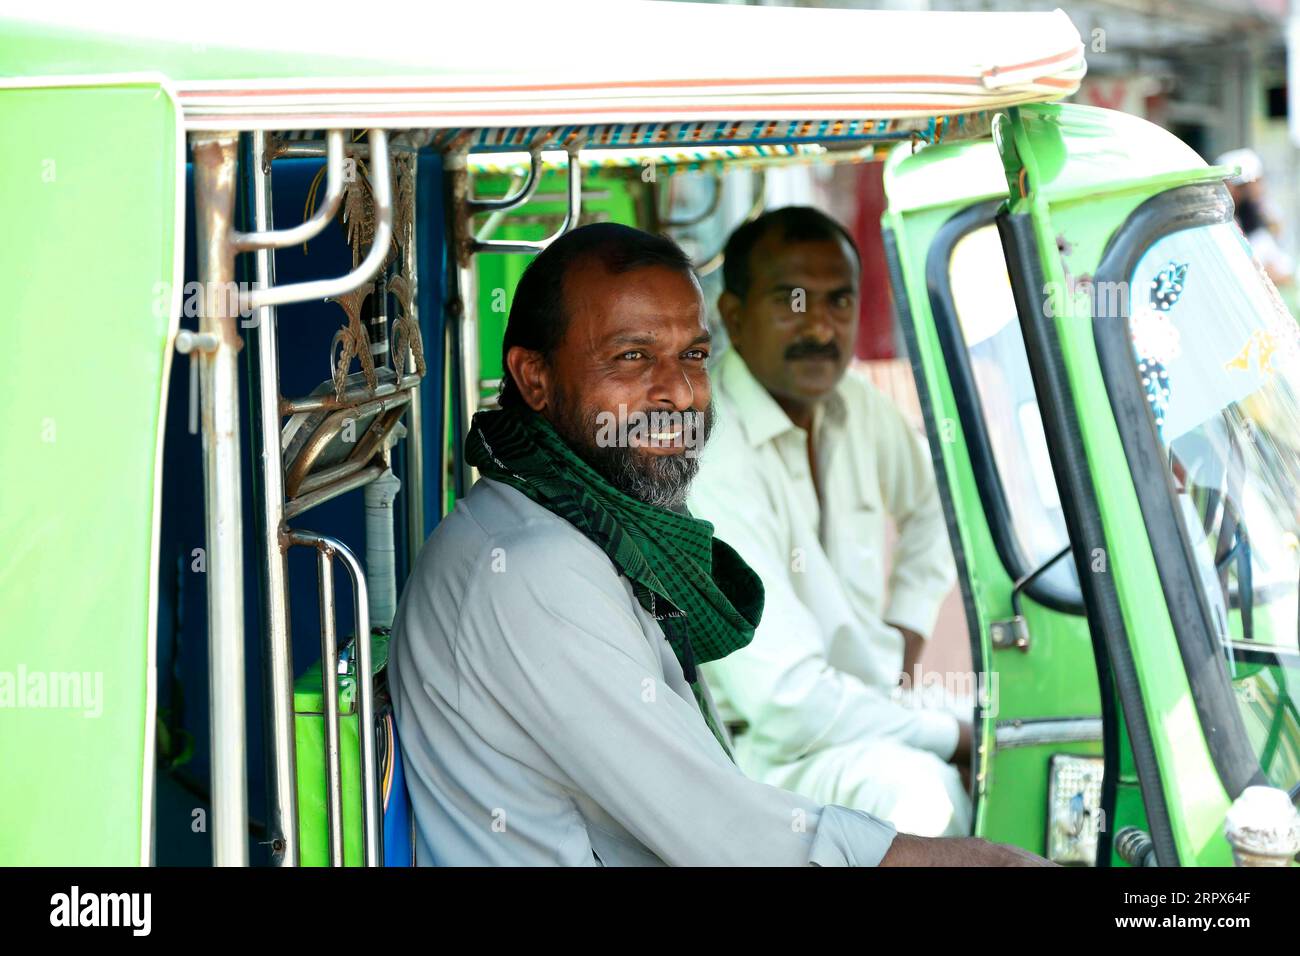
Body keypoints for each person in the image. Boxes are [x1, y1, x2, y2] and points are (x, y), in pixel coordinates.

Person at [388, 221, 1047, 866]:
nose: (676, 392)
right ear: (534, 378)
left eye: (694, 356)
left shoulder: (577, 529)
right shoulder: (535, 569)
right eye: (632, 357)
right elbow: (725, 834)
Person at [688, 207, 971, 838]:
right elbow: (786, 703)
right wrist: (949, 736)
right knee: (928, 803)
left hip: (870, 713)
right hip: (762, 760)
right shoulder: (710, 452)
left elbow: (938, 510)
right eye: (793, 302)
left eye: (839, 301)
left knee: (1045, 735)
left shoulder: (856, 408)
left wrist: (907, 629)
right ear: (733, 316)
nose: (820, 325)